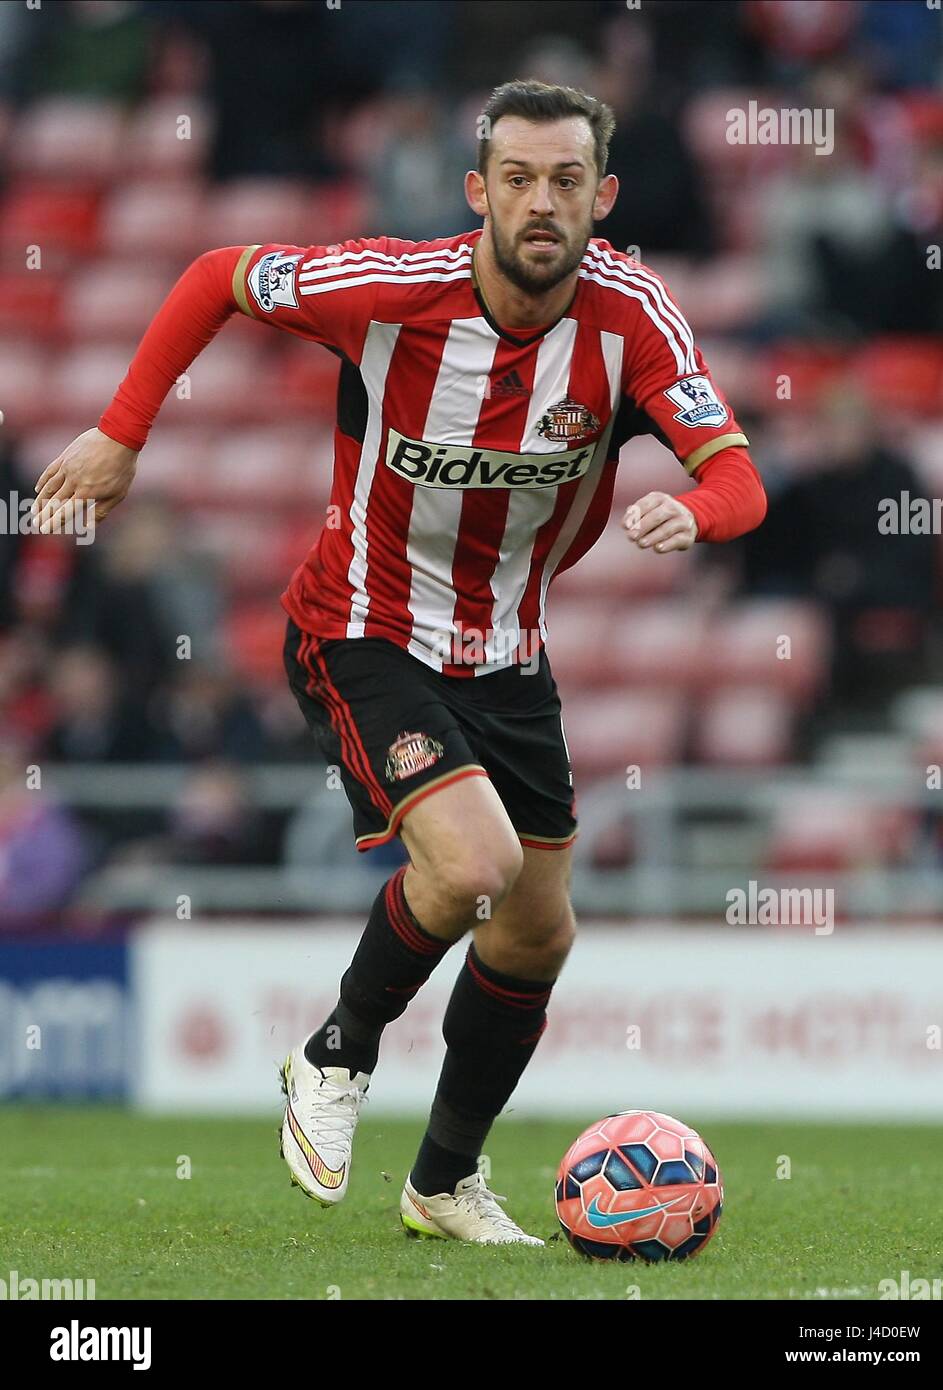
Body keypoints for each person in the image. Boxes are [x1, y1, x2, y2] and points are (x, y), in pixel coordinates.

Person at [32, 80, 766, 1245]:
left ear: (602, 197)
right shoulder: (388, 289)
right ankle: (333, 1054)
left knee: (537, 931)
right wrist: (121, 434)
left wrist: (699, 510)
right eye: (517, 179)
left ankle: (442, 1183)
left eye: (566, 182)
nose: (541, 203)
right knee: (472, 862)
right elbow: (216, 272)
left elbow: (736, 471)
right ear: (477, 192)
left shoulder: (631, 316)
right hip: (358, 625)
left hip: (507, 655)